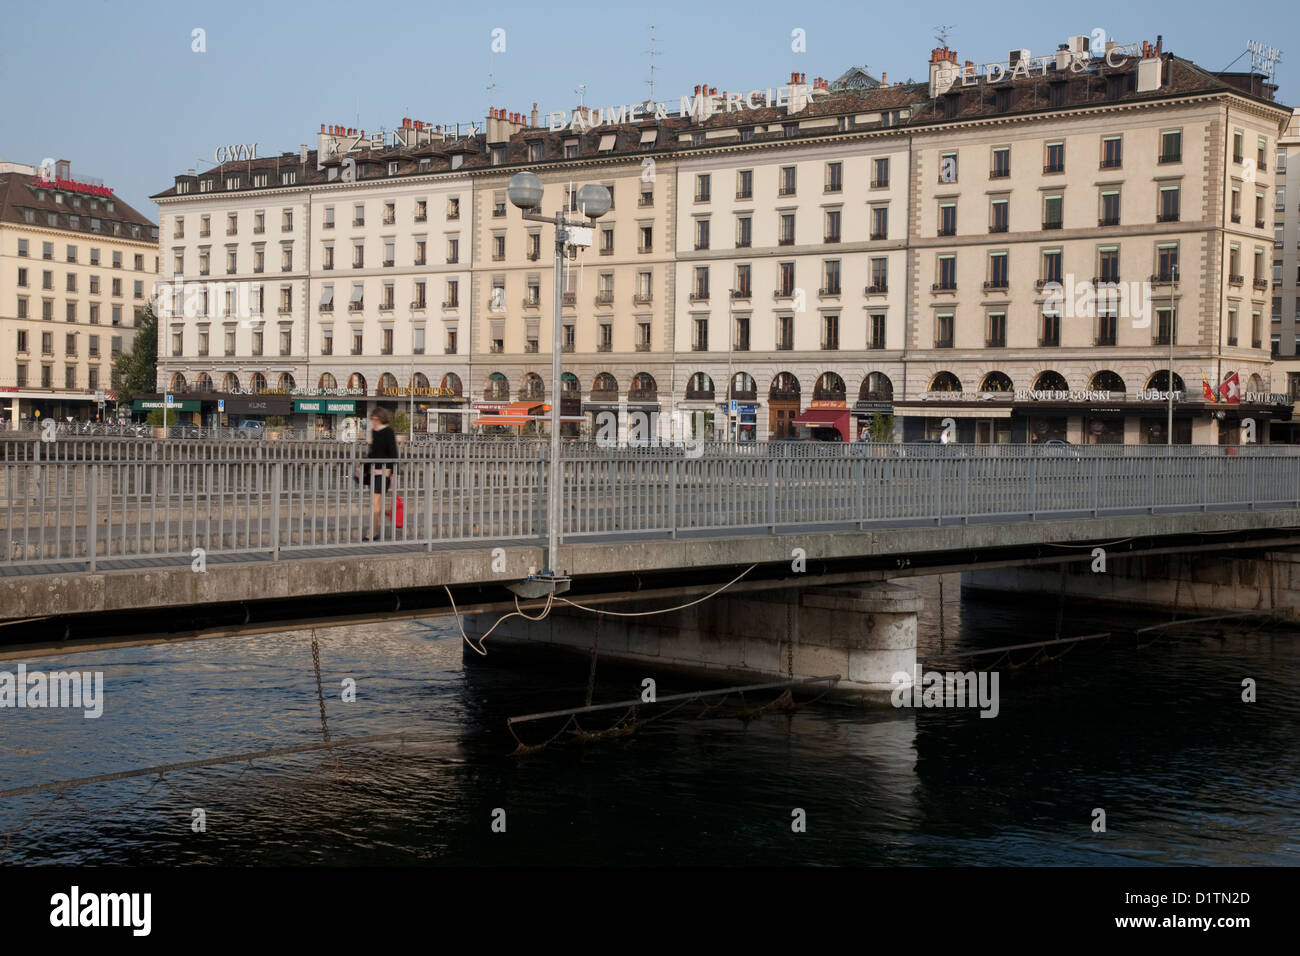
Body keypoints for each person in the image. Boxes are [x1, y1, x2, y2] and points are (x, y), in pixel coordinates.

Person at [362, 408, 397, 541]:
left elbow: (393, 454)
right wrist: (364, 462)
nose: (373, 421)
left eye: (375, 419)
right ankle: (386, 514)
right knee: (375, 503)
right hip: (373, 472)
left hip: (384, 472)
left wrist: (392, 473)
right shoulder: (374, 432)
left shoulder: (388, 432)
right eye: (372, 419)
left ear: (381, 418)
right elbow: (373, 453)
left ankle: (372, 533)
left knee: (375, 502)